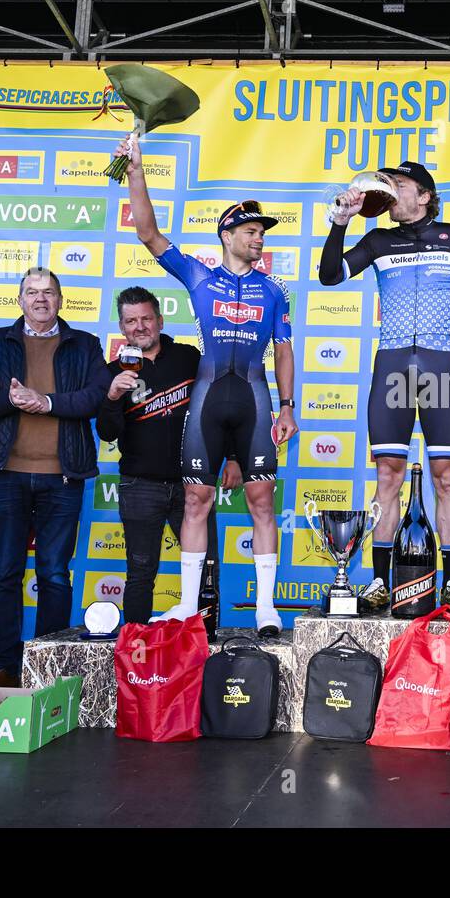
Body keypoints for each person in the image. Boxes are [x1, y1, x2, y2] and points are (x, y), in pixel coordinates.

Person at [115, 136, 297, 636]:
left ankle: (265, 608)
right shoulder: (199, 276)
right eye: (252, 231)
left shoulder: (275, 291)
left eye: (262, 233)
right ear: (228, 235)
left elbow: (283, 349)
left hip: (256, 401)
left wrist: (287, 406)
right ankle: (190, 608)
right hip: (209, 400)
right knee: (196, 501)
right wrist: (135, 168)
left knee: (262, 501)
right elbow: (148, 233)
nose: (259, 239)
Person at [319, 161, 450, 612]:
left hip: (440, 368)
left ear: (424, 195)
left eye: (398, 185)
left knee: (447, 477)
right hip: (392, 369)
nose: (387, 192)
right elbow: (330, 275)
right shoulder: (378, 240)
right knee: (387, 474)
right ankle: (379, 582)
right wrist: (340, 223)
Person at [0, 268, 108, 687]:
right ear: (20, 299)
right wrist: (12, 400)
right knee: (3, 572)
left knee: (53, 572)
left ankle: (48, 663)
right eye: (32, 292)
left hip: (63, 478)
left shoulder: (85, 344)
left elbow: (95, 398)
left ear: (61, 299)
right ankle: (5, 665)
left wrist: (44, 401)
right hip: (4, 476)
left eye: (49, 292)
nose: (41, 298)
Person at [97, 287, 234, 626]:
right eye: (131, 321)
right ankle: (135, 648)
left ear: (160, 320)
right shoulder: (112, 370)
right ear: (122, 327)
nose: (139, 326)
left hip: (193, 484)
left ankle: (205, 646)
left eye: (145, 318)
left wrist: (232, 456)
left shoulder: (188, 358)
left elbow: (220, 410)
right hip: (140, 485)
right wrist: (113, 396)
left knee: (207, 568)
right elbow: (107, 432)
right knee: (141, 572)